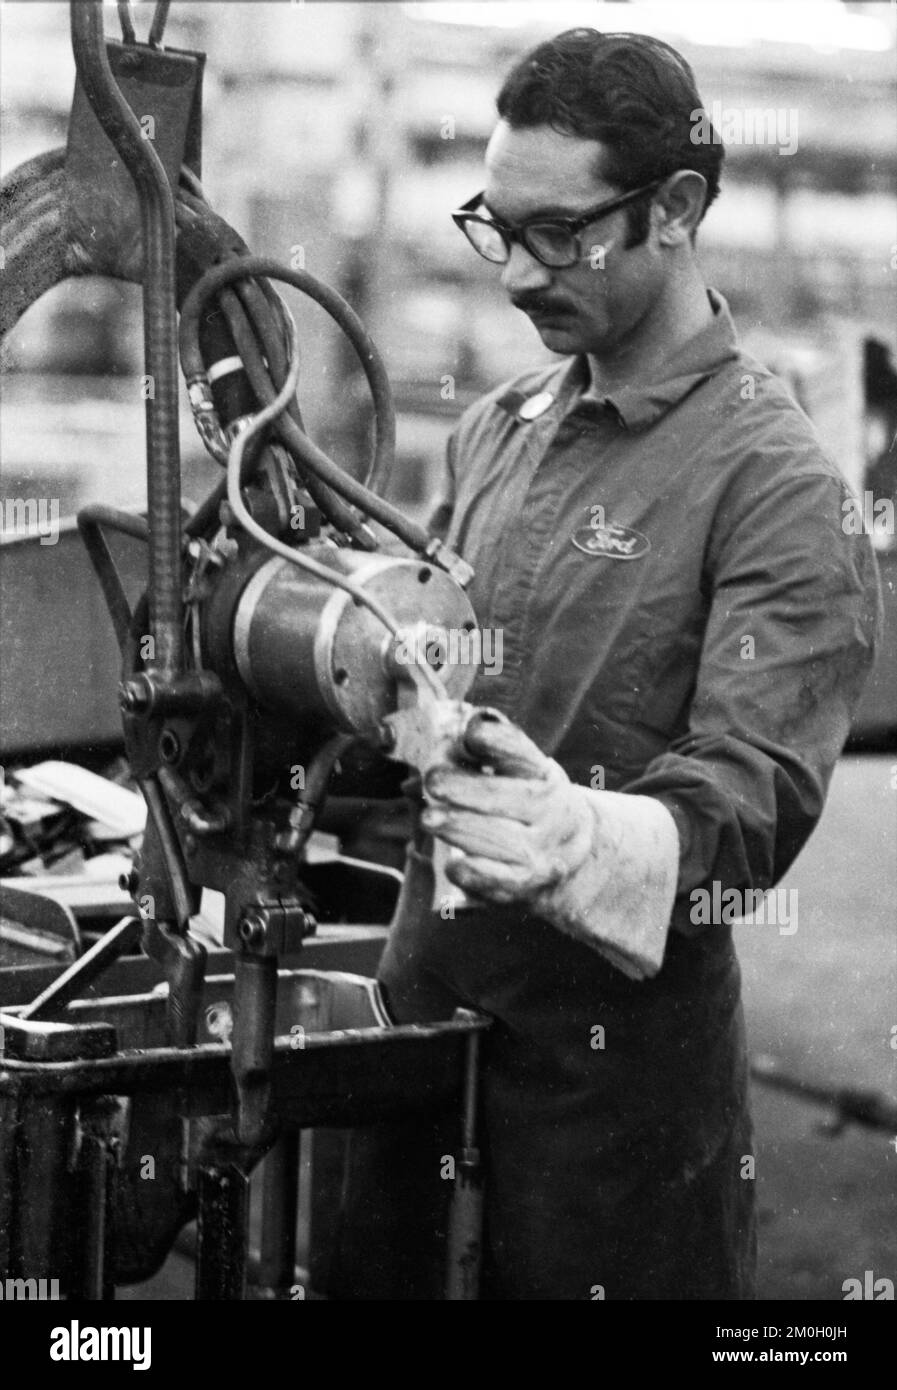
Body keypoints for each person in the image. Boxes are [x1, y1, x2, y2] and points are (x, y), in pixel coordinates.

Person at [327, 27, 882, 1301]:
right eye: (497, 226)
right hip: (424, 1027)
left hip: (609, 1108)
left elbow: (748, 811)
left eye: (561, 234)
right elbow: (438, 688)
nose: (517, 274)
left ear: (675, 209)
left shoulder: (777, 487)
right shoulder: (496, 430)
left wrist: (579, 835)